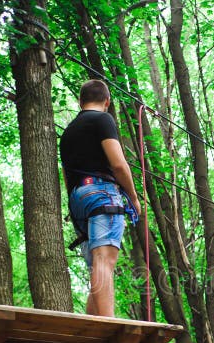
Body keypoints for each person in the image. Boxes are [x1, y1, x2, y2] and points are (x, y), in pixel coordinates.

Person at [60, 79, 141, 317]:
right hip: (101, 194)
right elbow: (118, 164)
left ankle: (91, 326)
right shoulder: (103, 119)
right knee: (104, 262)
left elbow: (67, 176)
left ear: (80, 101)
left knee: (98, 267)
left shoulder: (68, 132)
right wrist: (134, 198)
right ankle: (107, 325)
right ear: (107, 101)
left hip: (78, 199)